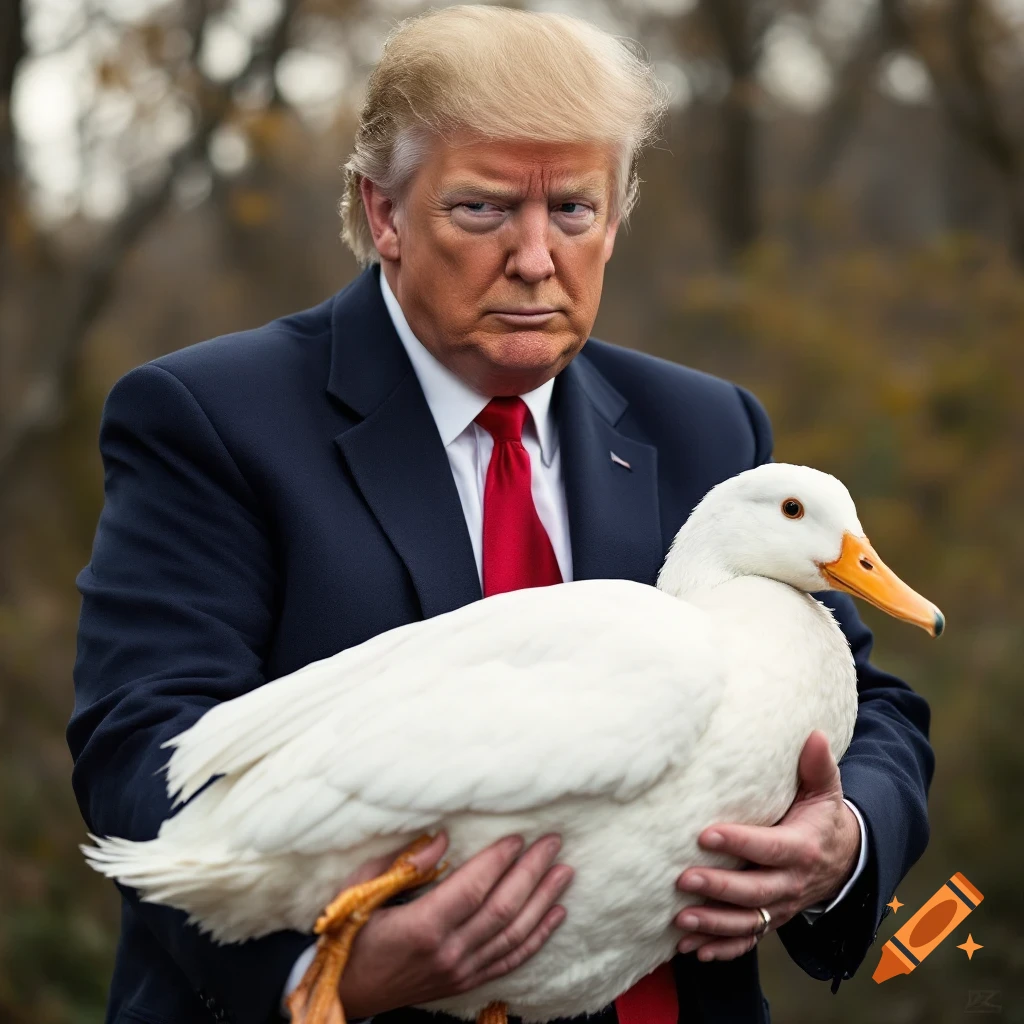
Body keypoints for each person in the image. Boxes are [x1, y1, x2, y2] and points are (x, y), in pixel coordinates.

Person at [68, 6, 934, 1024]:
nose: (535, 258)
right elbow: (142, 742)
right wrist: (334, 971)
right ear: (383, 213)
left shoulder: (708, 429)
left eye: (572, 210)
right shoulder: (210, 419)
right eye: (482, 212)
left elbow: (869, 709)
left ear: (616, 217)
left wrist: (838, 845)